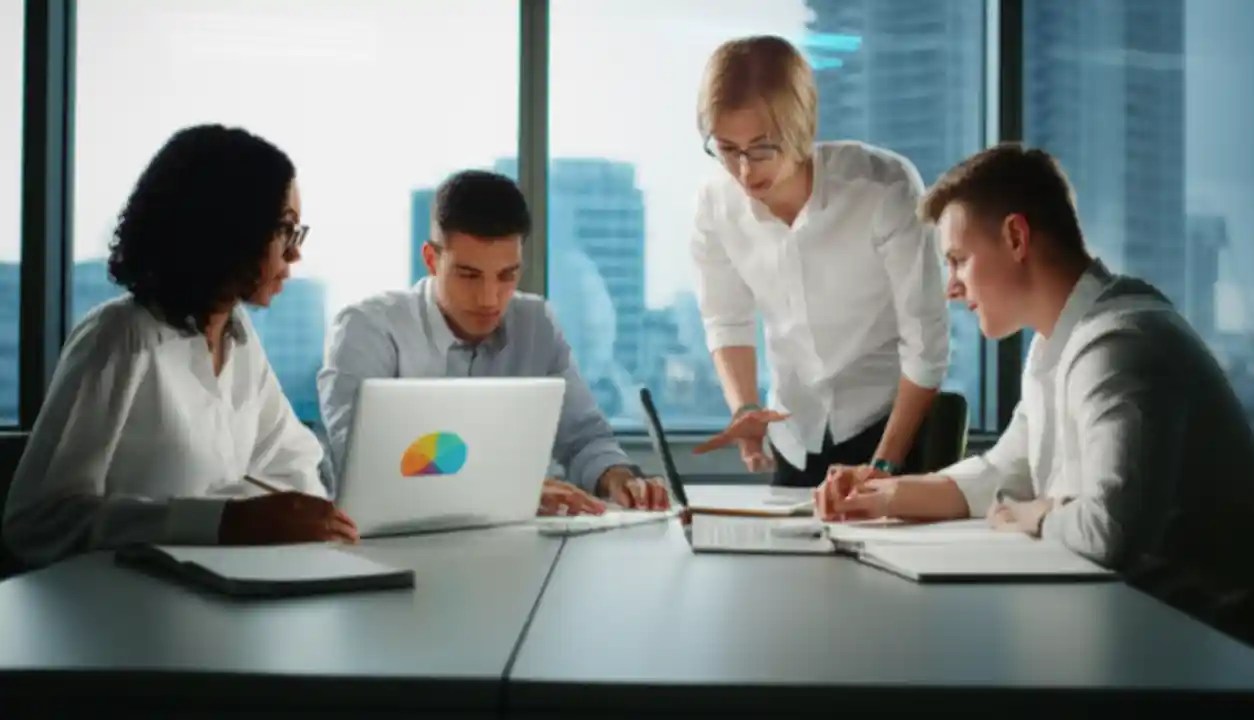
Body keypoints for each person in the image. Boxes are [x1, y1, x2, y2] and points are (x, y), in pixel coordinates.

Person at [816, 142, 1254, 658]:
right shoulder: (1056, 343)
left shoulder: (1122, 346)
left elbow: (1109, 531)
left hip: (1231, 657)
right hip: (1155, 633)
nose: (951, 287)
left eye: (958, 261)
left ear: (1016, 237)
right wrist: (884, 492)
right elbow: (1001, 472)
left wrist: (1036, 513)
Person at [3, 124, 358, 568]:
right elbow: (38, 522)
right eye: (285, 230)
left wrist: (314, 518)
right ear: (229, 229)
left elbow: (292, 461)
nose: (295, 254)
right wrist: (221, 521)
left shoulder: (239, 339)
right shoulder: (120, 338)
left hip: (213, 598)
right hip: (118, 610)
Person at [317, 169, 670, 515]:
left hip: (516, 544)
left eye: (507, 275)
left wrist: (617, 477)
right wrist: (517, 493)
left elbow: (584, 438)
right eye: (468, 275)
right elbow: (364, 470)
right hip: (392, 548)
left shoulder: (536, 325)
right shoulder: (366, 329)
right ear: (430, 259)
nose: (489, 298)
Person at [687, 35, 950, 488]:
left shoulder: (882, 188)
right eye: (728, 150)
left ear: (801, 130)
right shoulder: (715, 206)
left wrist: (882, 467)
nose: (745, 171)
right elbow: (727, 321)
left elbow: (926, 345)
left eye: (762, 148)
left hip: (889, 427)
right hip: (794, 432)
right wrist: (746, 409)